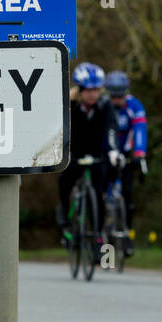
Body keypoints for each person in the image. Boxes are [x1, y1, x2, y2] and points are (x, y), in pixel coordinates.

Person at [57, 62, 122, 250]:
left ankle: (97, 238)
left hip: (96, 154)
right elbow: (60, 130)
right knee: (65, 179)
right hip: (74, 152)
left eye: (96, 89)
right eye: (88, 90)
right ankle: (63, 210)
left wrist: (112, 150)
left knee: (98, 195)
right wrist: (62, 151)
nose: (92, 94)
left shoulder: (105, 105)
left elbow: (111, 128)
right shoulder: (69, 105)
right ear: (81, 89)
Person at [104, 70, 147, 257]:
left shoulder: (134, 106)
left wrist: (139, 153)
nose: (116, 100)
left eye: (119, 95)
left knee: (127, 196)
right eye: (113, 95)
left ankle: (127, 234)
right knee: (100, 193)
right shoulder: (103, 105)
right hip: (105, 153)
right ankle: (101, 234)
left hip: (126, 153)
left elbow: (140, 130)